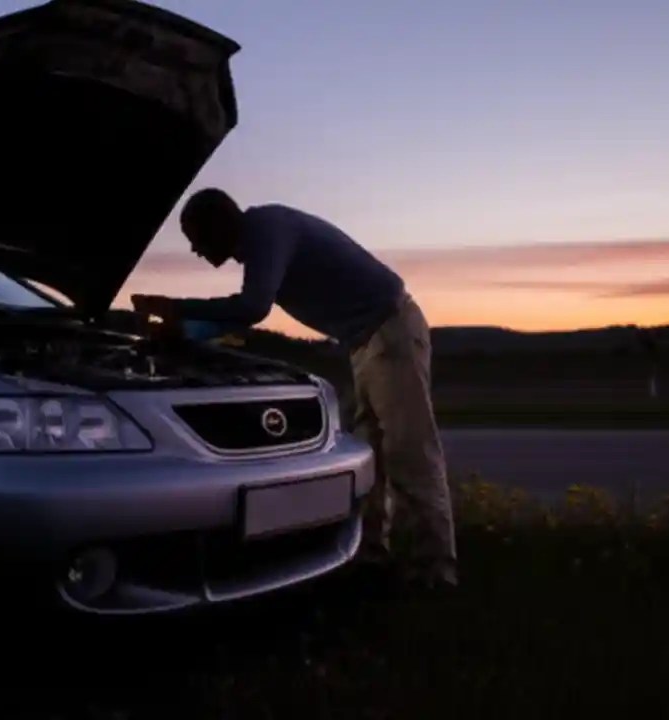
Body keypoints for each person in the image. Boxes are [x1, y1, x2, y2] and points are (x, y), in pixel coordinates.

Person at [132, 188, 457, 589]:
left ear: (218, 224)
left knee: (408, 452)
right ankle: (371, 554)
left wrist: (175, 307)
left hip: (391, 332)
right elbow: (238, 316)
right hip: (366, 343)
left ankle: (433, 569)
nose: (197, 251)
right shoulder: (262, 245)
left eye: (196, 239)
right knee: (372, 456)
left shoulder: (270, 227)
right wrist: (181, 333)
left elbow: (253, 307)